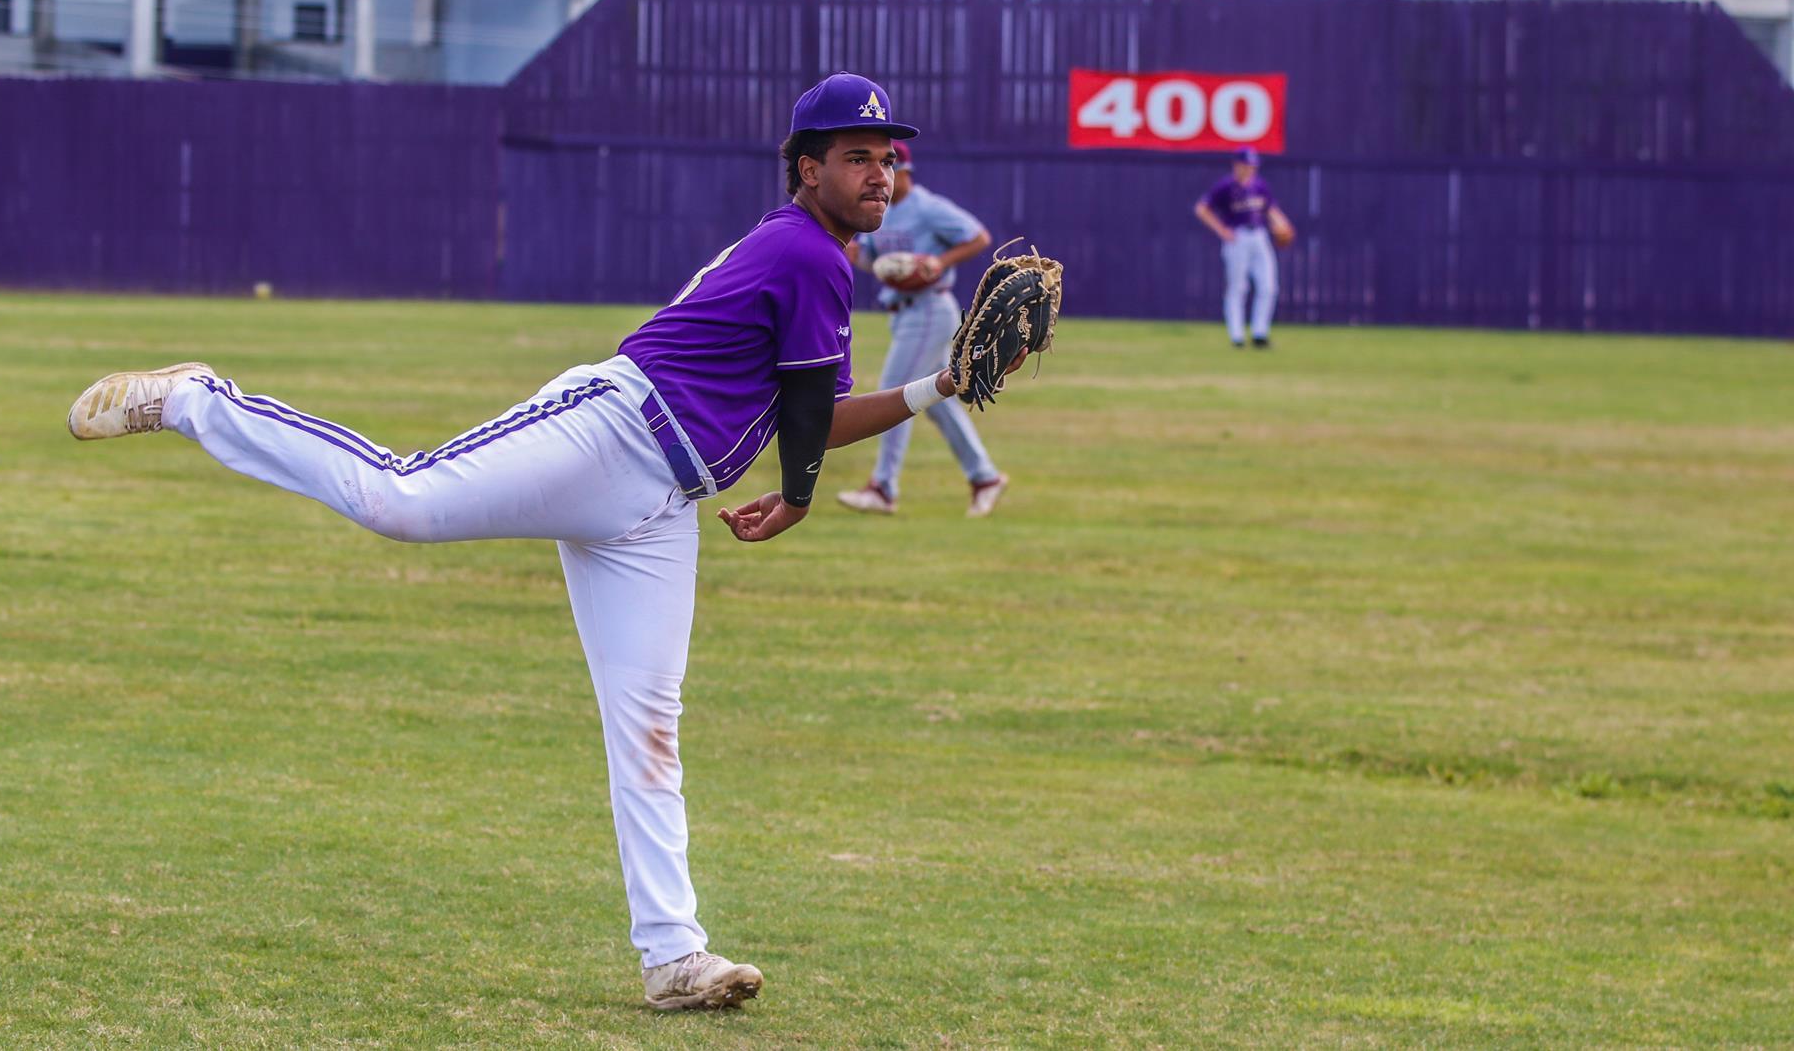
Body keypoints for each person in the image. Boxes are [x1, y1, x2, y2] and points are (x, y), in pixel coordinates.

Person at [64, 73, 999, 1014]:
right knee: (403, 499)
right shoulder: (808, 249)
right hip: (610, 431)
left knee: (649, 728)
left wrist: (941, 384)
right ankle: (197, 400)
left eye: (886, 157)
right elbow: (805, 419)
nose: (878, 173)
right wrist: (797, 497)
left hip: (662, 505)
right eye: (855, 156)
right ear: (808, 168)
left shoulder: (821, 254)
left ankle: (675, 955)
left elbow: (827, 411)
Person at [836, 141, 1008, 517]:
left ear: (904, 172)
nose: (878, 178)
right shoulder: (880, 212)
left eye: (887, 168)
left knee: (894, 393)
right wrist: (853, 254)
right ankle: (984, 477)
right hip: (902, 312)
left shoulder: (927, 208)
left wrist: (938, 261)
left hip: (930, 308)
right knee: (934, 402)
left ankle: (883, 487)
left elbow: (978, 236)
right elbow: (876, 261)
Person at [1192, 146, 1292, 348]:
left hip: (1259, 235)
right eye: (1246, 165)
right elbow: (1201, 209)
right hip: (1238, 237)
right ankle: (1236, 336)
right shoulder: (1225, 187)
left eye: (1252, 165)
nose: (1249, 169)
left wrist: (1283, 224)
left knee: (1268, 285)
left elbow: (1270, 209)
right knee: (1238, 287)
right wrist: (1221, 230)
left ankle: (1259, 334)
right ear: (1236, 165)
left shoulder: (1259, 186)